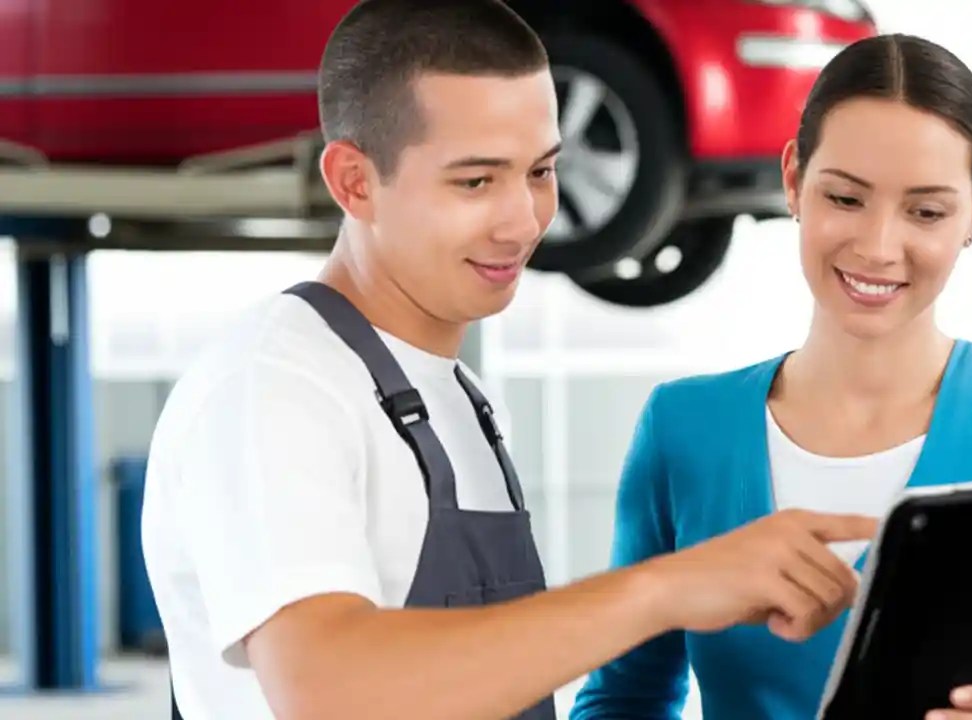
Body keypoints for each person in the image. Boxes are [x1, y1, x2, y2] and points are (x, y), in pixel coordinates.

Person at [139, 2, 880, 719]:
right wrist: (666, 589)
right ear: (354, 182)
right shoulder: (276, 384)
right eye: (476, 181)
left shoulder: (459, 398)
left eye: (540, 171)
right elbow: (331, 689)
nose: (524, 220)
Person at [571, 33, 972, 720]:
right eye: (846, 199)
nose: (877, 247)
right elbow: (623, 700)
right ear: (794, 179)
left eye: (925, 211)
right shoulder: (682, 429)